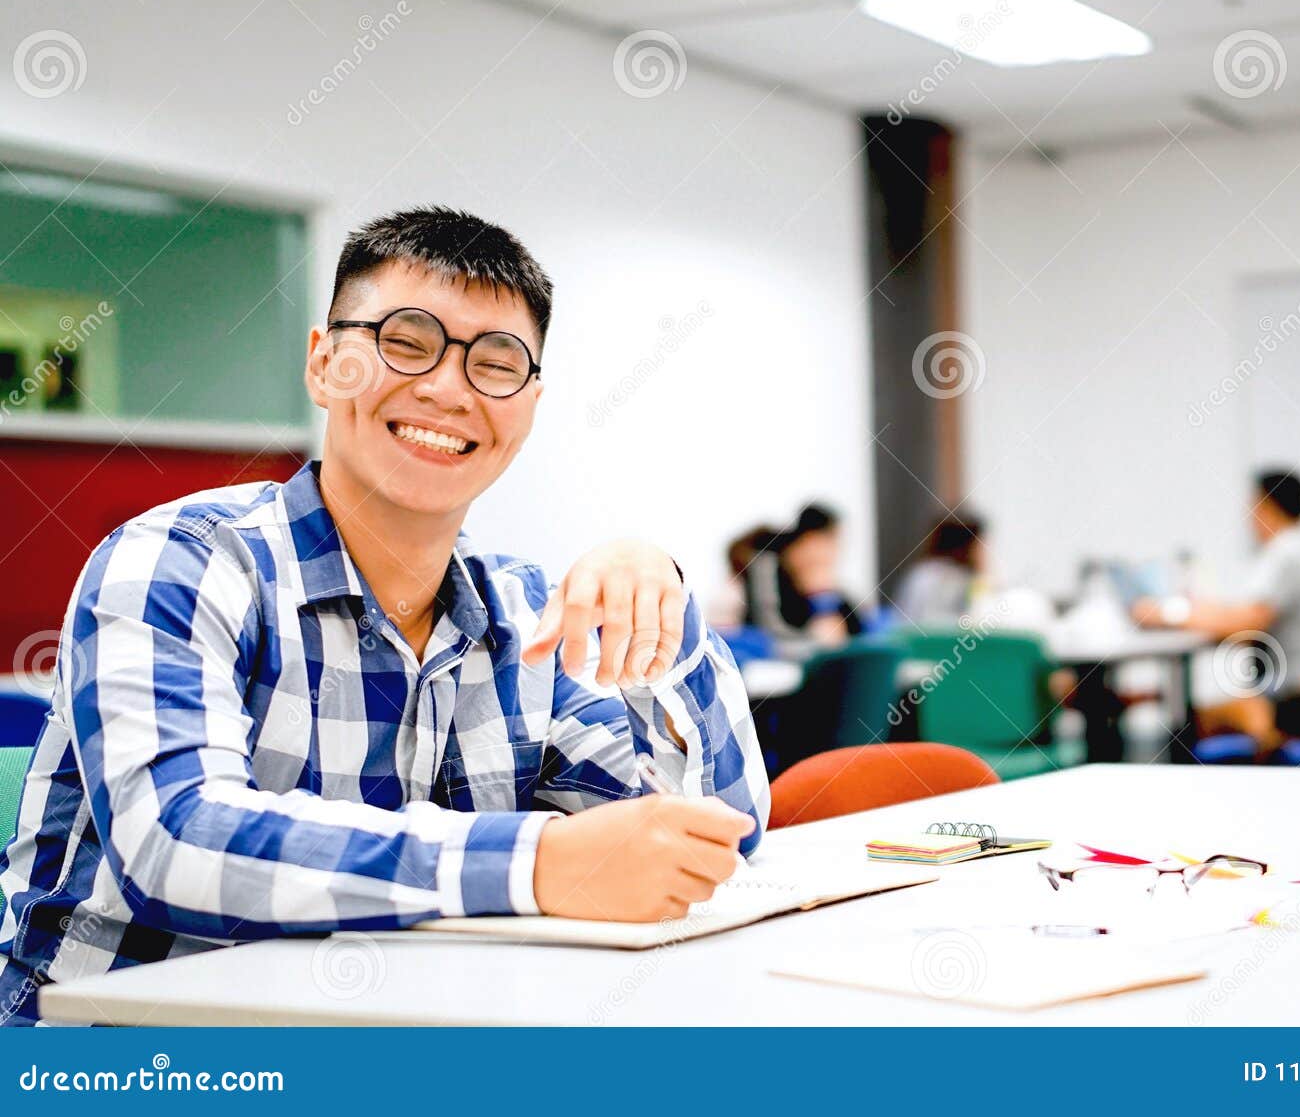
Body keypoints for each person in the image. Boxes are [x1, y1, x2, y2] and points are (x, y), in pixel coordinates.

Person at [0, 207, 766, 1026]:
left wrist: (662, 615)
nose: (447, 389)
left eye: (496, 363)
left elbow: (715, 837)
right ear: (324, 364)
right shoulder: (179, 561)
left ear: (530, 404)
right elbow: (177, 840)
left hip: (385, 1032)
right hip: (114, 1048)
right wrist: (537, 861)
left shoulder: (524, 616)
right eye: (405, 342)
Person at [1135, 470, 1300, 755]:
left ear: (1263, 505)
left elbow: (1242, 625)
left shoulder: (1288, 551)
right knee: (1199, 710)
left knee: (1191, 720)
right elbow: (1244, 613)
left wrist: (1167, 614)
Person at [745, 503, 862, 659]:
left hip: (811, 653)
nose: (832, 553)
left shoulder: (821, 578)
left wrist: (822, 595)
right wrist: (816, 639)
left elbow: (856, 633)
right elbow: (770, 634)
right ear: (806, 538)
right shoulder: (767, 564)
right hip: (772, 658)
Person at [894, 516, 987, 627]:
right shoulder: (948, 577)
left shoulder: (923, 570)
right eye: (978, 545)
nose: (983, 552)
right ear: (965, 546)